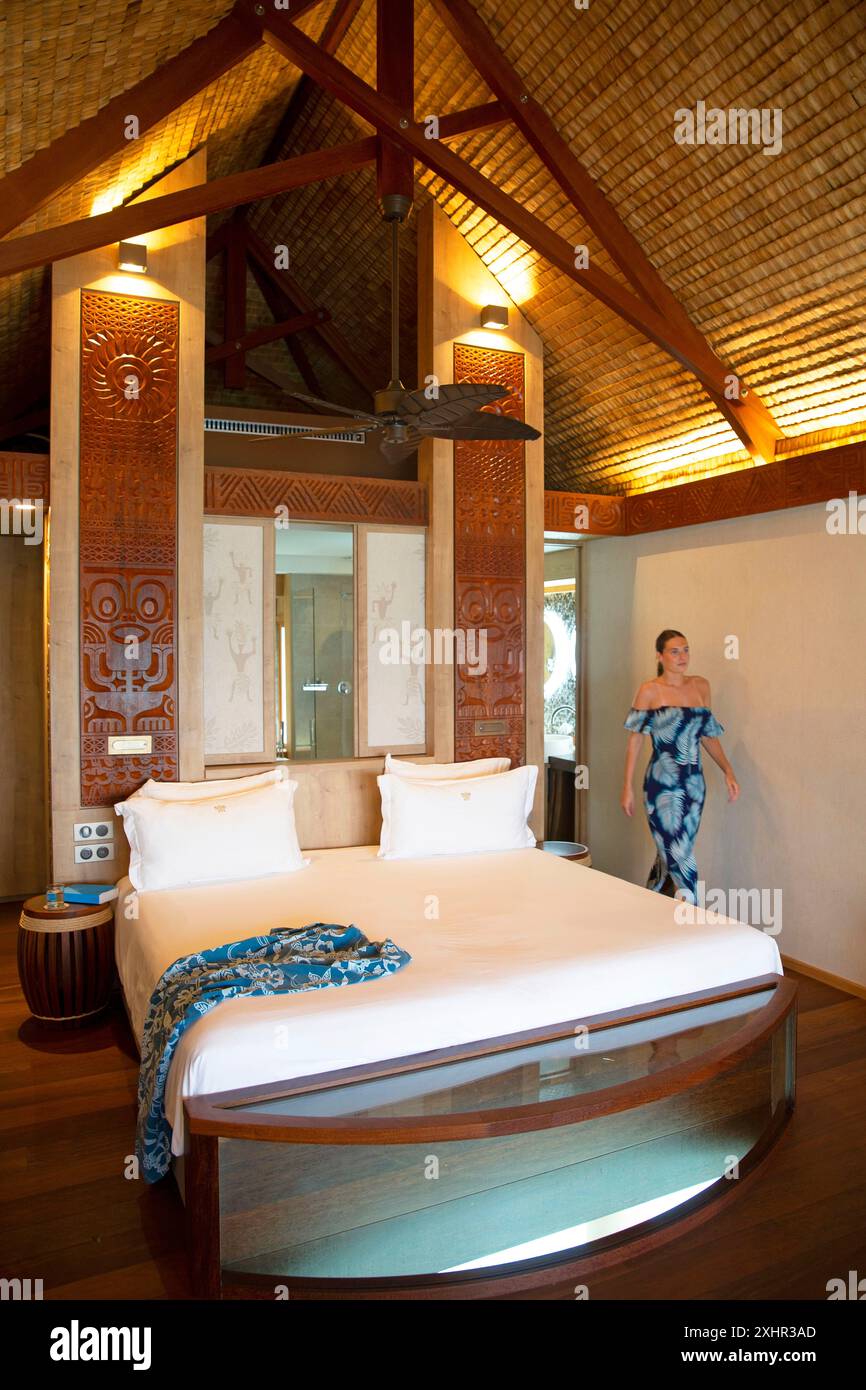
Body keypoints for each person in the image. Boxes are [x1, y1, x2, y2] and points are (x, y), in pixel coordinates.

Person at [621, 629, 739, 901]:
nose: (682, 656)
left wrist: (728, 771)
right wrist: (626, 787)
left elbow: (708, 735)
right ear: (660, 656)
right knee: (680, 854)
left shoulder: (701, 687)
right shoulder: (649, 691)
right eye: (674, 651)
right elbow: (635, 741)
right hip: (661, 785)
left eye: (685, 649)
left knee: (671, 853)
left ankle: (651, 907)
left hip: (694, 785)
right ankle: (693, 921)